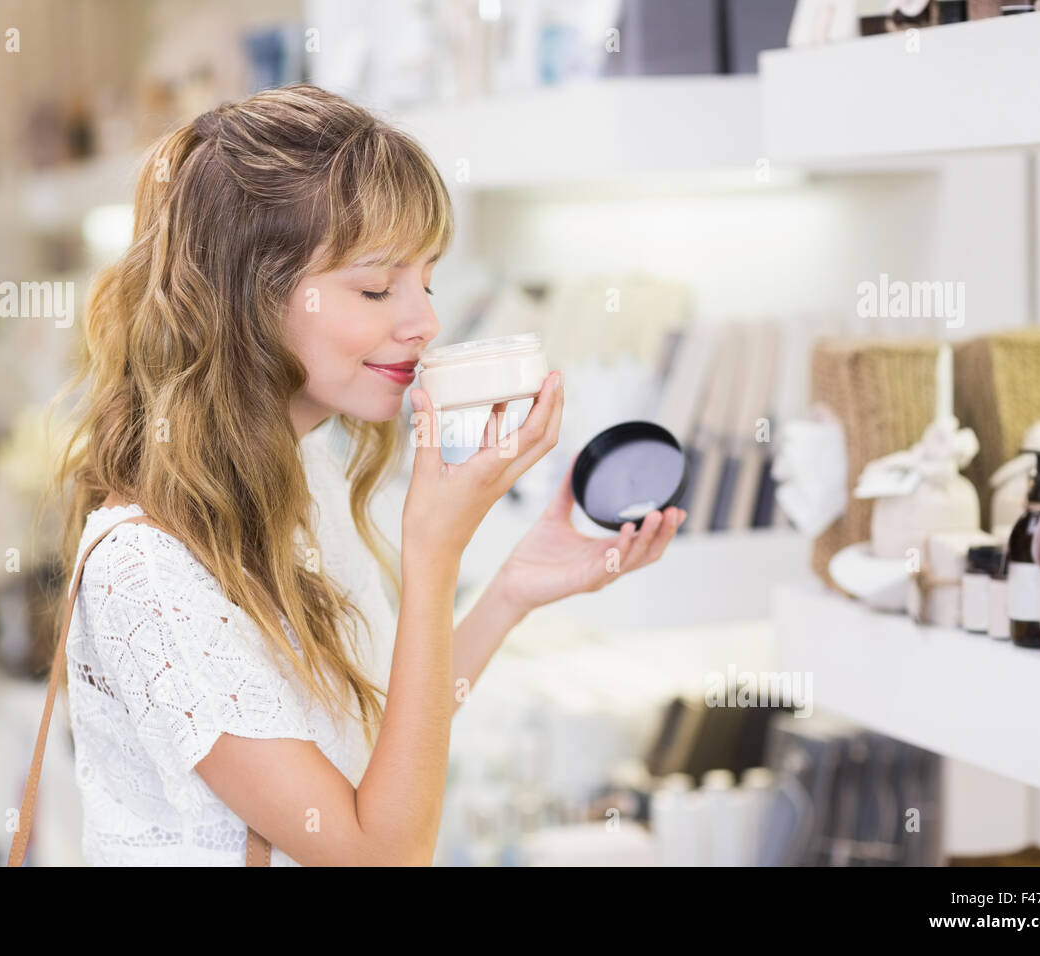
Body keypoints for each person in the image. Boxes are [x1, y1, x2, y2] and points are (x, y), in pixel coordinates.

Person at [47, 83, 685, 866]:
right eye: (377, 287)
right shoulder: (144, 570)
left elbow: (390, 736)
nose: (425, 321)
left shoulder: (306, 474)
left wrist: (512, 589)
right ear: (248, 296)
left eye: (428, 278)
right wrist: (434, 554)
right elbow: (380, 854)